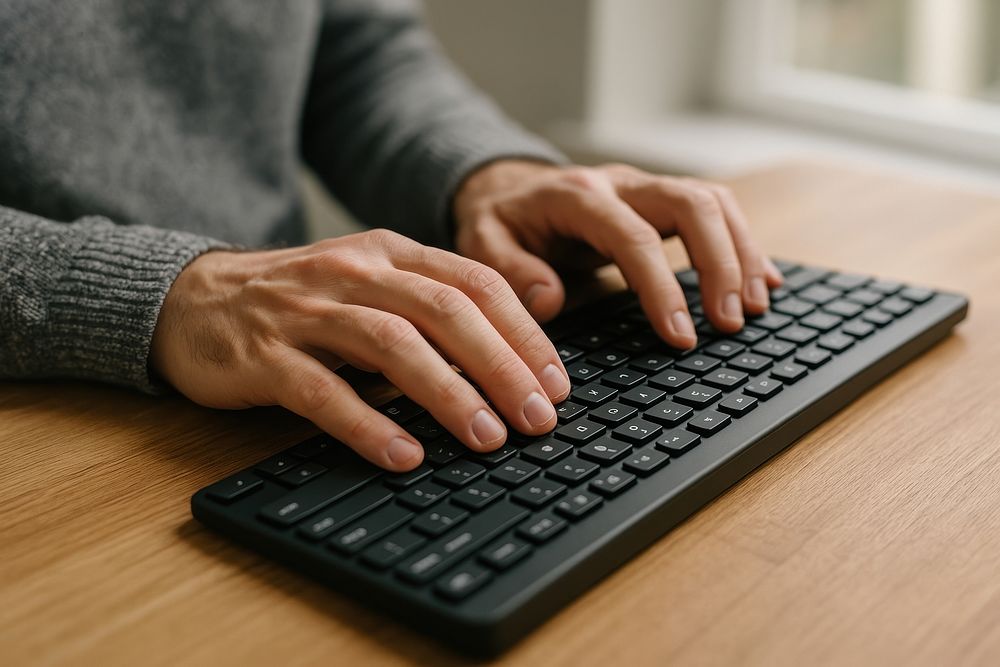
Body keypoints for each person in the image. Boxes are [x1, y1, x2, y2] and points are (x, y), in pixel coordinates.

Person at [0, 0, 782, 472]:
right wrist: (161, 292)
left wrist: (485, 175)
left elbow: (355, 55)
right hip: (45, 435)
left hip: (280, 380)